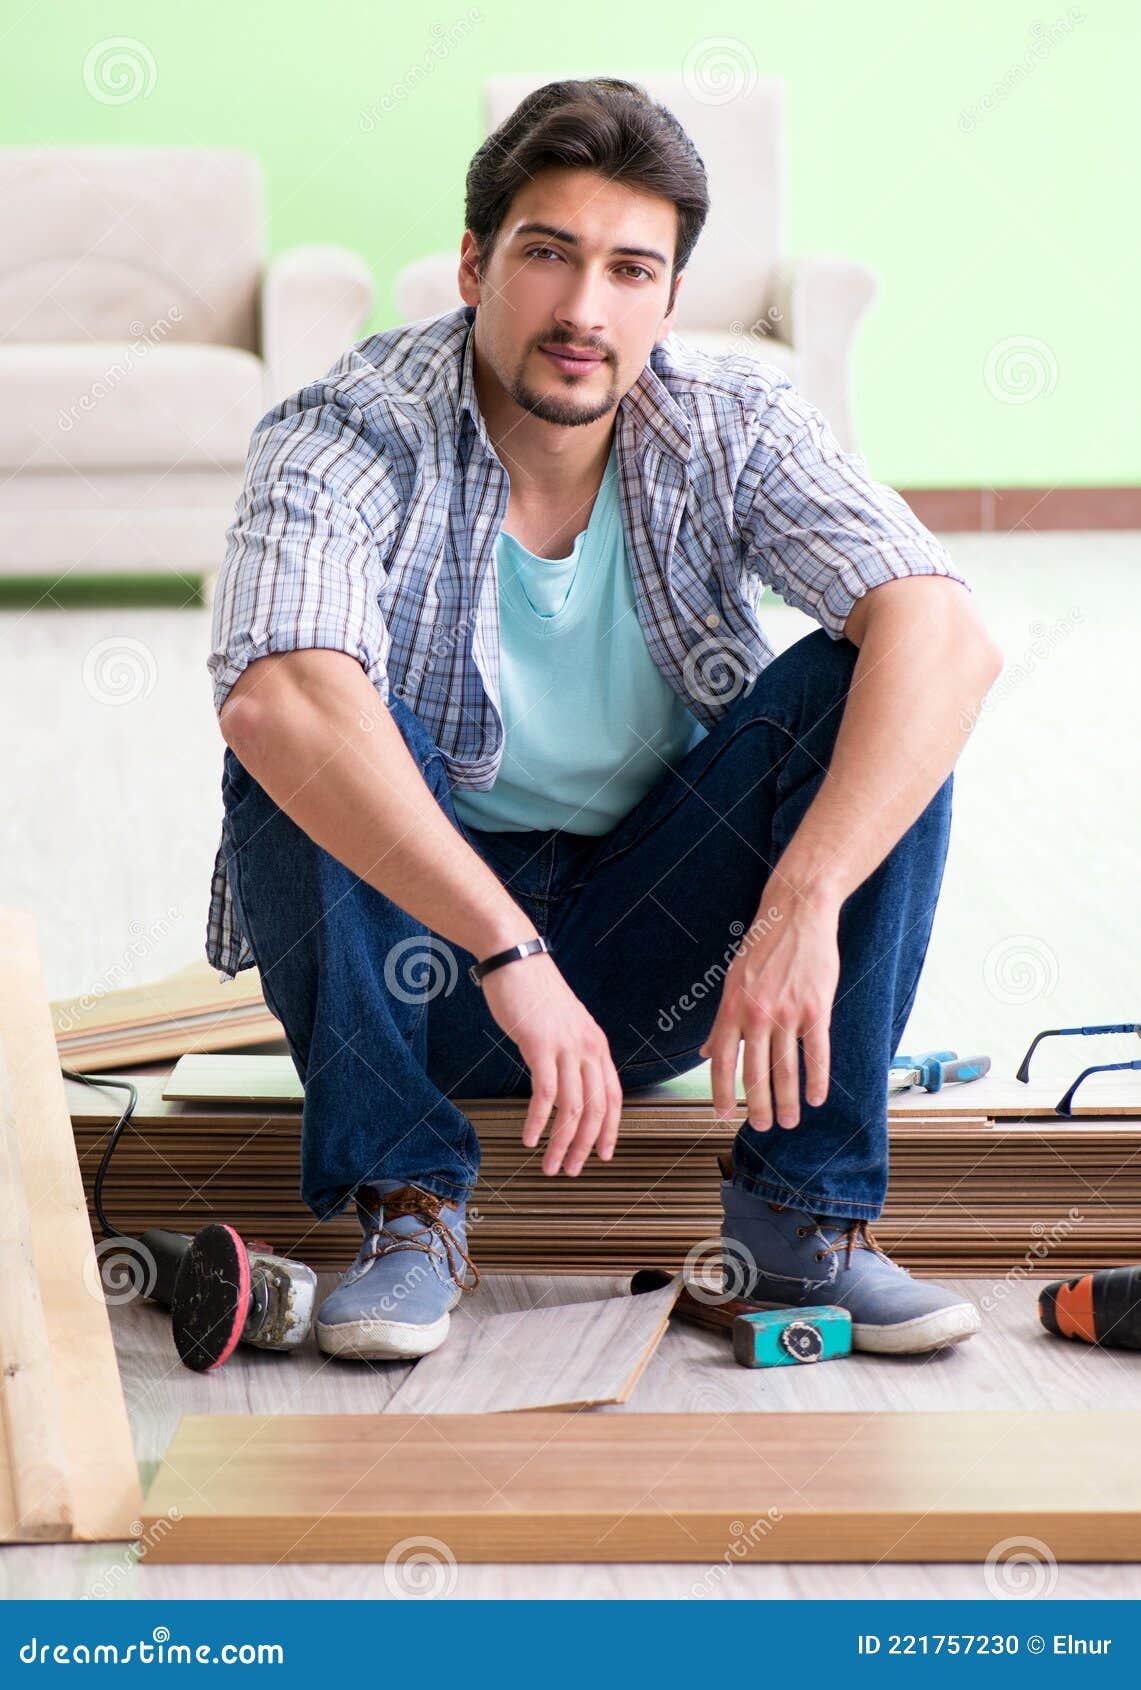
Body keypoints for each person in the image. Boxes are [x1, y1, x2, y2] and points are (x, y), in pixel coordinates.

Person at [205, 78, 1002, 1362]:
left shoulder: (727, 423)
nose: (585, 311)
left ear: (668, 302)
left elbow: (947, 634)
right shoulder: (349, 432)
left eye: (630, 271)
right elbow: (277, 700)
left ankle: (801, 1221)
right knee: (310, 715)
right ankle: (407, 1206)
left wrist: (799, 906)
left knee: (876, 679)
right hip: (435, 981)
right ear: (472, 265)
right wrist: (511, 955)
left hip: (658, 967)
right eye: (547, 256)